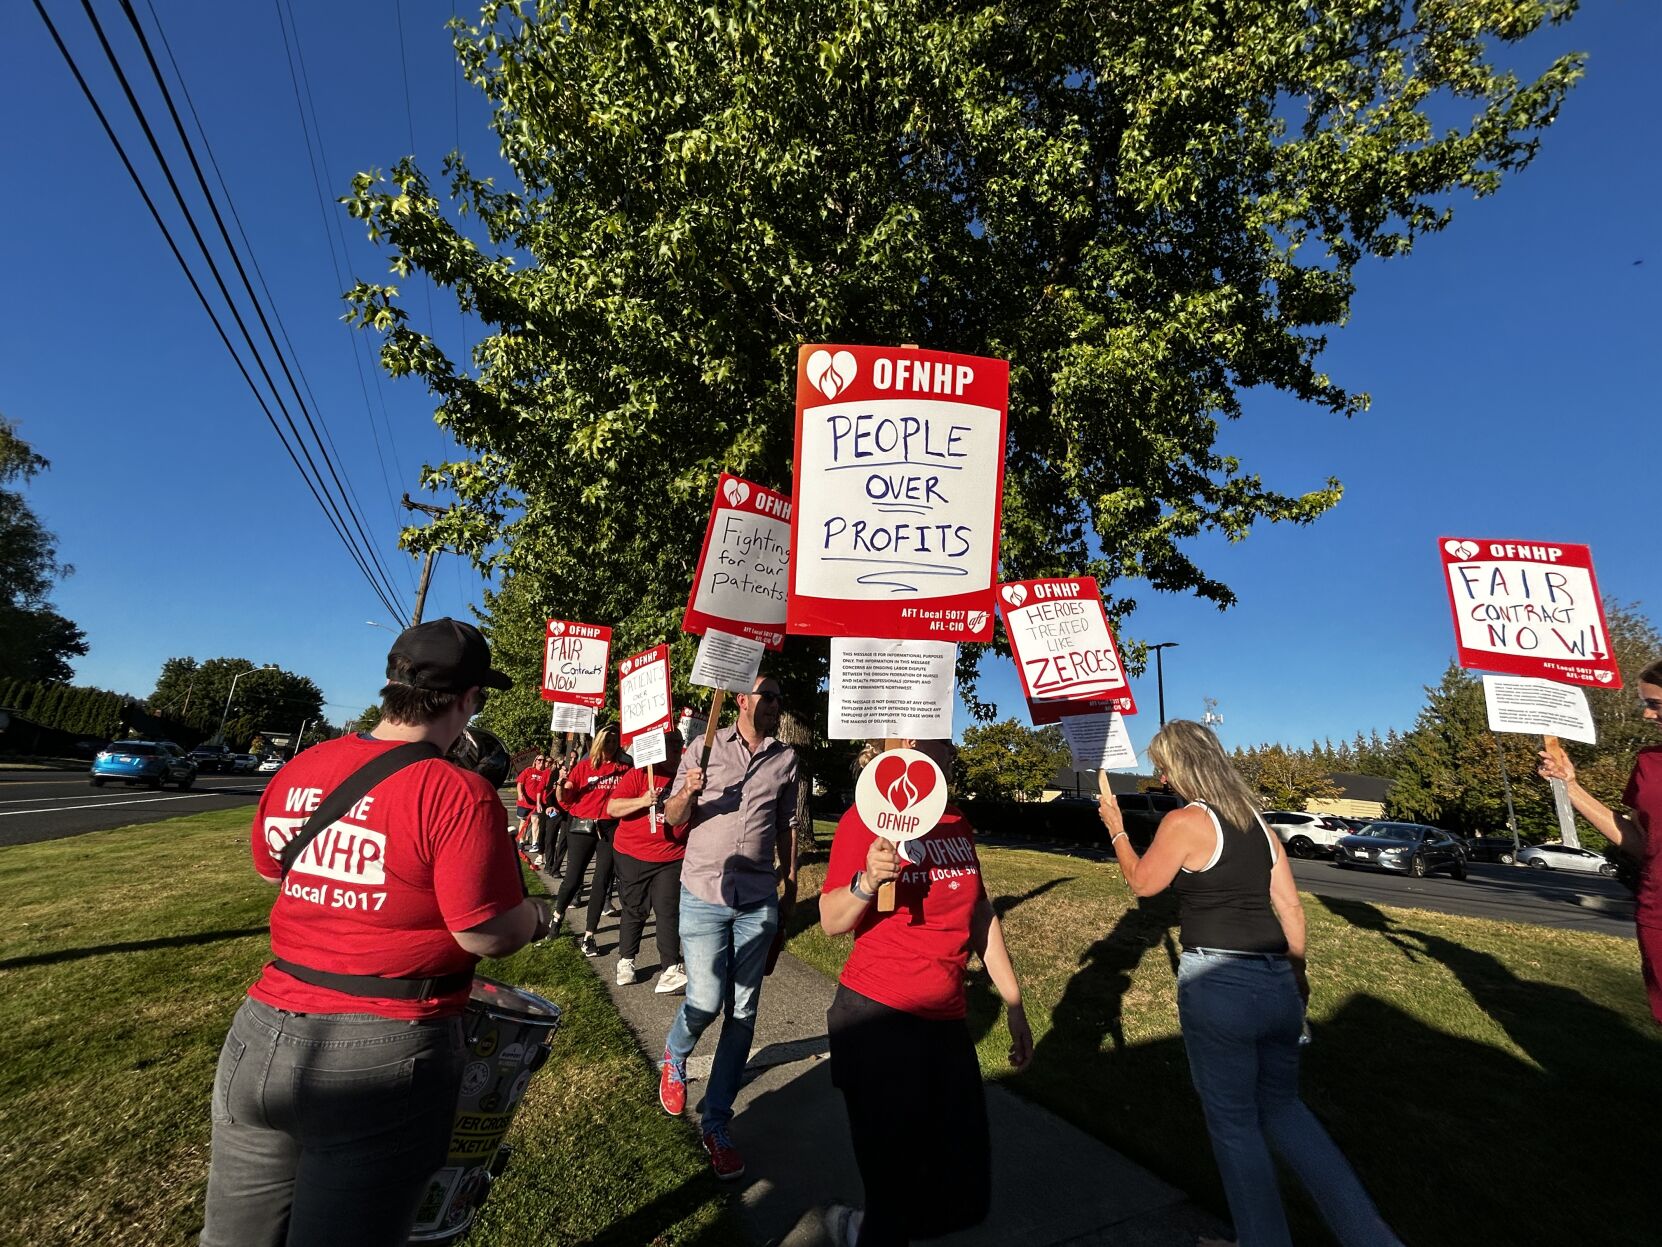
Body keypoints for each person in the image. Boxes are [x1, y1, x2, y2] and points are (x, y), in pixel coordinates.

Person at [201, 618, 551, 1247]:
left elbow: (269, 867)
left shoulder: (304, 766)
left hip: (260, 1029)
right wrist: (538, 916)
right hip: (384, 1049)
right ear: (469, 700)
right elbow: (487, 934)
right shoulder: (457, 791)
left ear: (392, 685)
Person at [1096, 720, 1401, 1247]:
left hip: (1219, 984)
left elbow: (1143, 884)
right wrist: (1297, 977)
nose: (1162, 779)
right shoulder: (1259, 824)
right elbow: (1290, 910)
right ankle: (1371, 1238)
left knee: (1234, 1124)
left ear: (1180, 766)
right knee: (1285, 1110)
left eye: (1163, 768)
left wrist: (1117, 829)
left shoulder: (1187, 821)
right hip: (1276, 981)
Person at [818, 739, 1031, 1246]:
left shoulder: (956, 821)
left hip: (945, 1022)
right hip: (876, 1018)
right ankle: (869, 1229)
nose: (952, 742)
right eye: (939, 728)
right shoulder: (866, 818)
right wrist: (867, 880)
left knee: (965, 1192)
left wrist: (1015, 1003)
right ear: (911, 742)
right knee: (894, 1195)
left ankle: (863, 1227)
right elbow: (830, 920)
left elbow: (979, 914)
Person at [657, 675, 801, 1180]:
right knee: (705, 998)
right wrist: (688, 791)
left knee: (743, 1011)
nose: (776, 704)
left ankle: (716, 1123)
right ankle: (674, 1056)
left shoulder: (786, 760)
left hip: (758, 899)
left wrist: (792, 883)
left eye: (780, 697)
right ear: (742, 699)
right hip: (702, 894)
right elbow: (672, 818)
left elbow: (788, 826)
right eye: (768, 695)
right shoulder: (703, 745)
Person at [1538, 657, 1662, 1024]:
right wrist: (1570, 786)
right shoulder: (1649, 764)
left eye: (1655, 704)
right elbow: (1640, 842)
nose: (1647, 716)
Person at [608, 729, 690, 993]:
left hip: (671, 855)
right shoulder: (640, 773)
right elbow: (612, 808)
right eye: (671, 742)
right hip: (633, 853)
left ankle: (670, 968)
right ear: (658, 745)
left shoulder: (687, 777)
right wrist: (642, 801)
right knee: (635, 909)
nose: (677, 747)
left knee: (668, 910)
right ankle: (626, 961)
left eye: (680, 742)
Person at [551, 724, 631, 956]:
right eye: (607, 741)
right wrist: (560, 785)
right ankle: (557, 917)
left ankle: (589, 935)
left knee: (602, 880)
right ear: (599, 742)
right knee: (573, 879)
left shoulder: (625, 768)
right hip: (582, 826)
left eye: (615, 742)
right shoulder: (584, 767)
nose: (611, 745)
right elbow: (566, 795)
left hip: (610, 828)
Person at [514, 752, 552, 852]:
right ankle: (521, 842)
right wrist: (520, 793)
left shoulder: (545, 773)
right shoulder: (528, 770)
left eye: (544, 760)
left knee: (536, 821)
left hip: (537, 803)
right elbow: (520, 783)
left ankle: (535, 843)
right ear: (535, 761)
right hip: (525, 802)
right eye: (539, 760)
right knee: (523, 822)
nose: (541, 762)